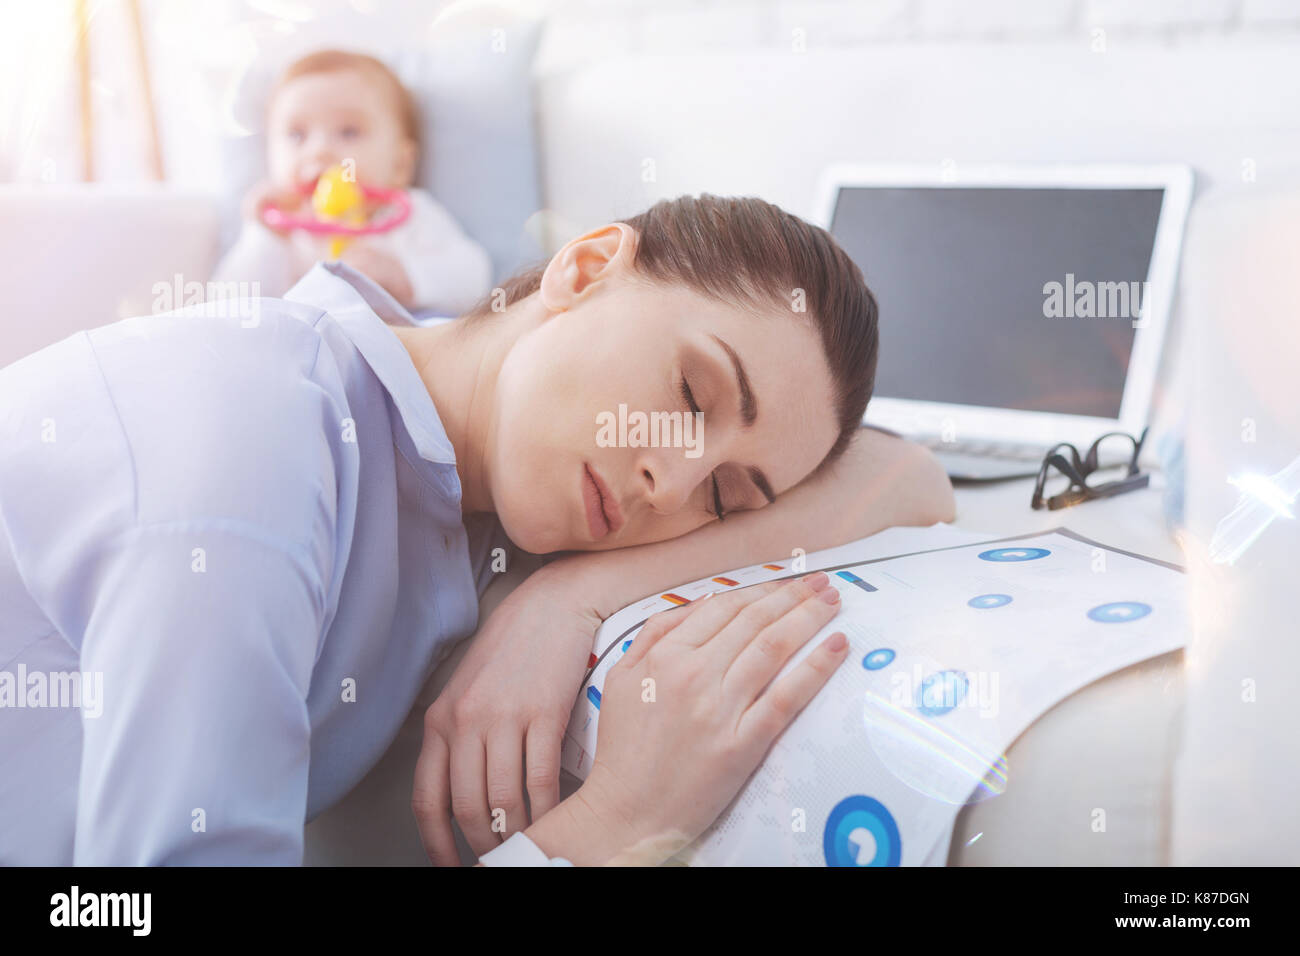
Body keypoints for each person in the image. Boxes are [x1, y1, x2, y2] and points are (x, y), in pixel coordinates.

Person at [0, 195, 952, 865]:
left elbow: (906, 473)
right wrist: (621, 821)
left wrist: (569, 599)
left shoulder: (430, 399)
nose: (672, 481)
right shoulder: (258, 443)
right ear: (584, 267)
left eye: (729, 500)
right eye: (691, 393)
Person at [212, 49, 492, 315]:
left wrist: (405, 277)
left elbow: (474, 279)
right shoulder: (285, 234)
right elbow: (225, 309)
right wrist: (260, 235)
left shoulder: (412, 216)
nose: (319, 150)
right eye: (297, 135)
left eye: (348, 132)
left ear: (400, 164)